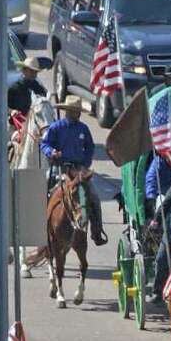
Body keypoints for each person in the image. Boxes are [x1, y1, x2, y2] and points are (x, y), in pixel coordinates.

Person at [39, 97, 106, 246]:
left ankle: (97, 231)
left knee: (93, 197)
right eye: (74, 111)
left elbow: (90, 147)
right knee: (41, 190)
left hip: (78, 169)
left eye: (78, 111)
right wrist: (51, 152)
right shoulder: (56, 127)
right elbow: (44, 144)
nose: (77, 114)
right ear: (67, 111)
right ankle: (41, 229)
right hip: (60, 167)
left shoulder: (83, 129)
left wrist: (85, 164)